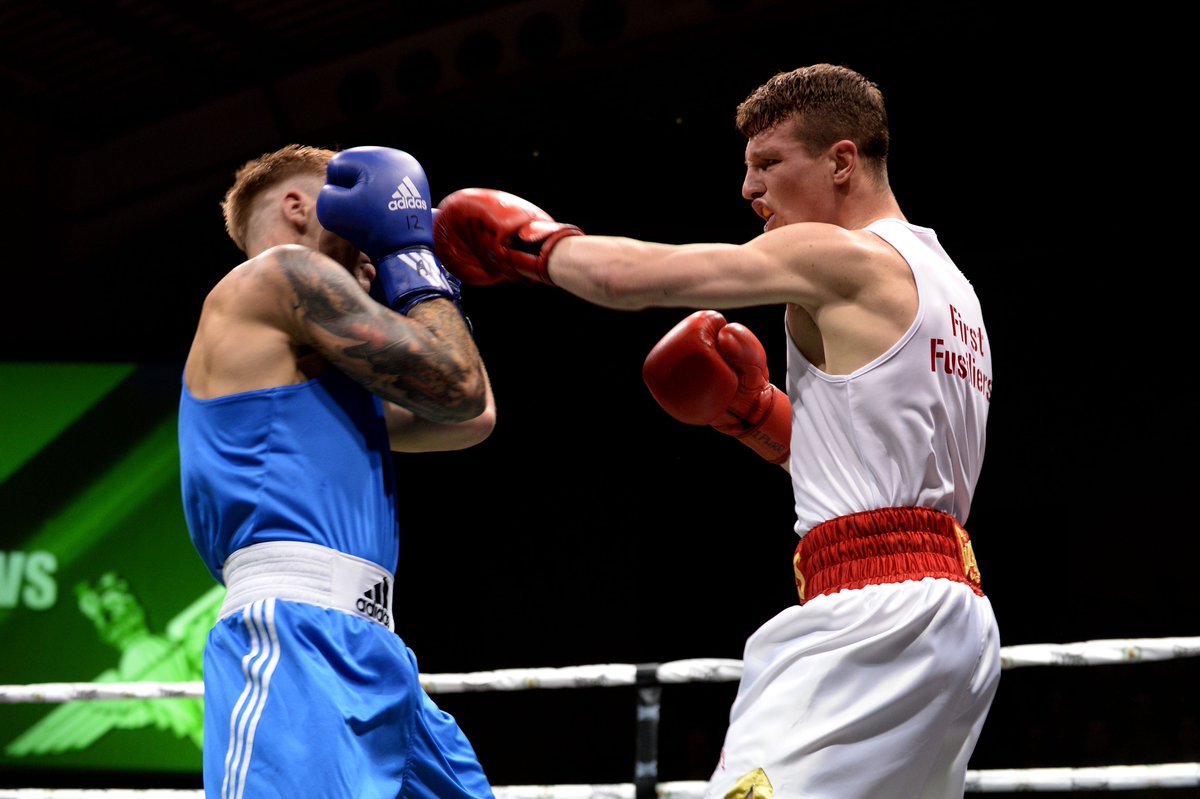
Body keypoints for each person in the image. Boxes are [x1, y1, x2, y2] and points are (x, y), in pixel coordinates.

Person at [433, 63, 999, 799]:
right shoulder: (951, 286)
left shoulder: (839, 255)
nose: (749, 189)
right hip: (954, 616)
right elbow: (881, 477)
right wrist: (758, 416)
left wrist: (534, 244)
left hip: (869, 617)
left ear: (841, 161)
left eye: (769, 163)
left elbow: (639, 277)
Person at [178, 143, 498, 799]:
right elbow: (459, 386)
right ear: (301, 205)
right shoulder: (277, 275)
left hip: (378, 649)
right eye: (357, 212)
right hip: (293, 639)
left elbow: (473, 414)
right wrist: (410, 254)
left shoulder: (329, 382)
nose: (371, 248)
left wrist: (409, 259)